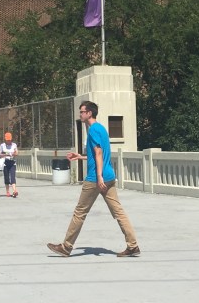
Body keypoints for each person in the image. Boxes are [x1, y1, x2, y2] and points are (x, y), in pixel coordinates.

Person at [46, 101, 140, 258]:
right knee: (119, 212)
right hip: (108, 176)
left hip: (96, 179)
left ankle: (66, 247)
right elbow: (95, 154)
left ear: (89, 113)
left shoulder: (93, 130)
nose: (80, 114)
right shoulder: (101, 129)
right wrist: (80, 156)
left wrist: (98, 177)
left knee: (80, 212)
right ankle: (133, 245)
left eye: (82, 111)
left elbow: (98, 153)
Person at [0, 132, 18, 198]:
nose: (9, 141)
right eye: (7, 140)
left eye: (9, 139)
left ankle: (15, 191)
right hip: (5, 162)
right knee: (6, 177)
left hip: (12, 162)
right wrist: (6, 154)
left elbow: (17, 153)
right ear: (5, 139)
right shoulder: (2, 145)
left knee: (12, 176)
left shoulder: (14, 145)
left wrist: (14, 153)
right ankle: (7, 191)